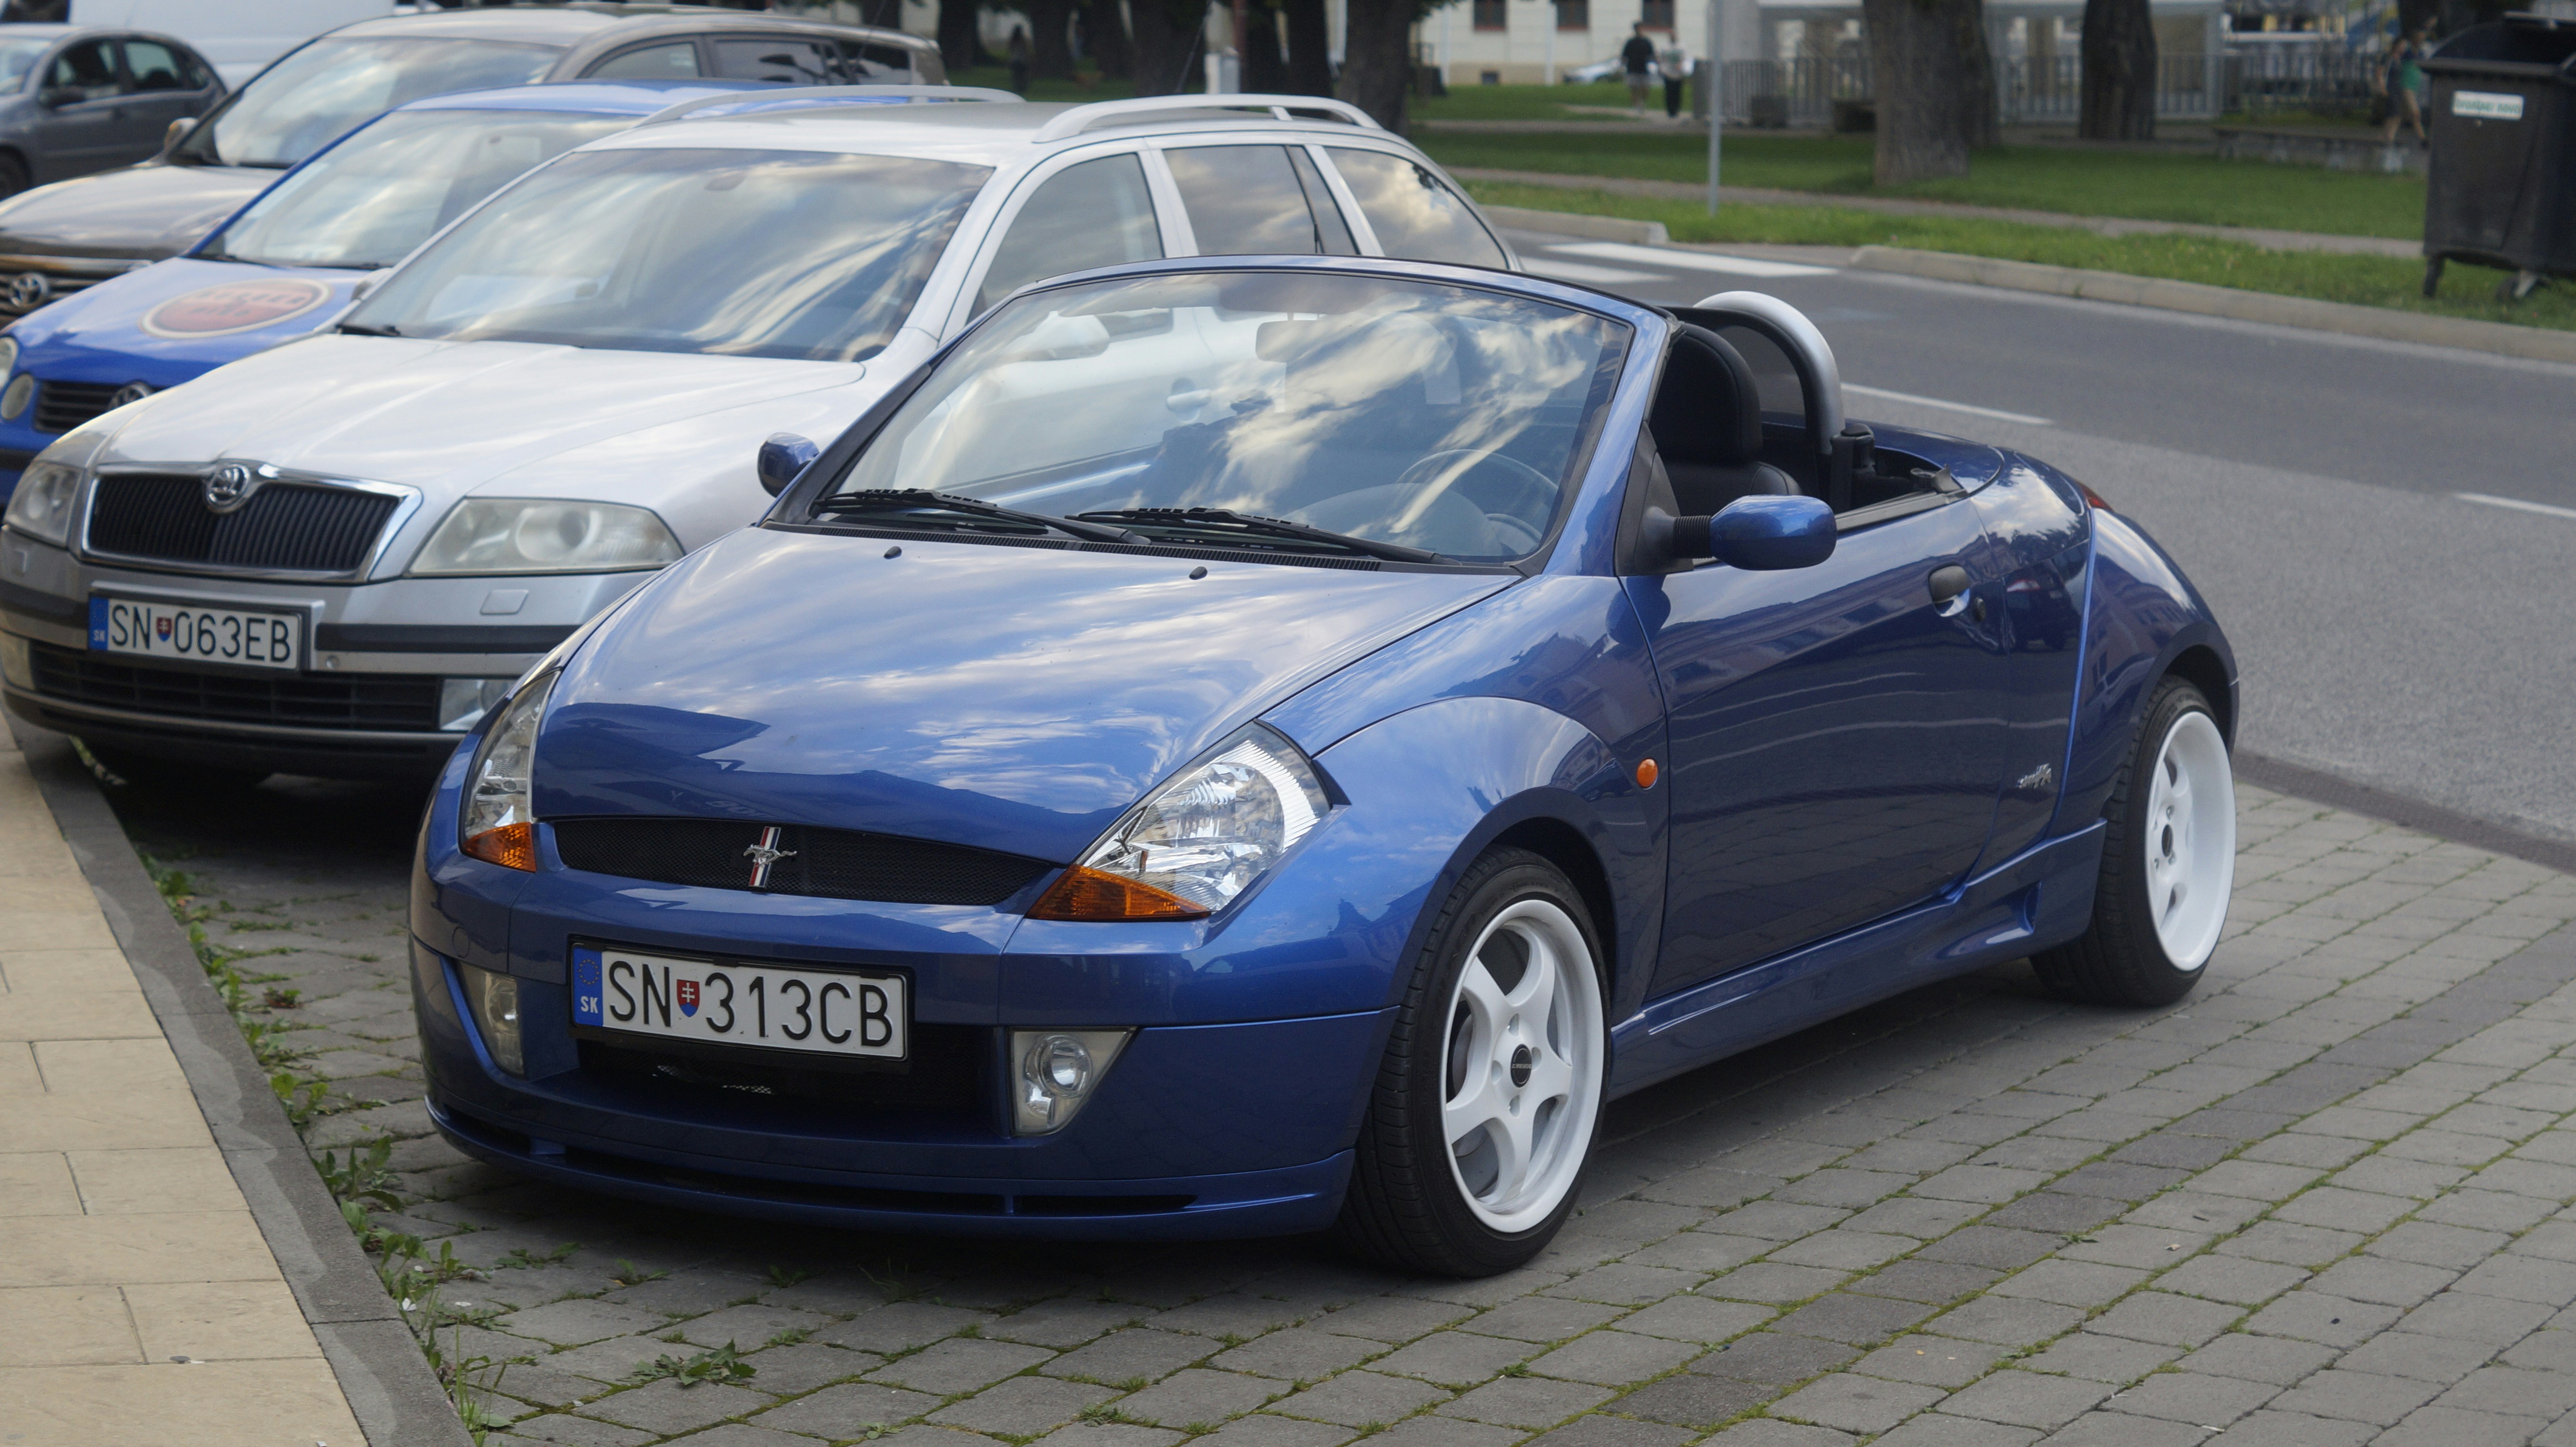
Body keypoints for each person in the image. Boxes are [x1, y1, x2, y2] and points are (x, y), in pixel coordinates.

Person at [2380, 18, 2435, 146]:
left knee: (2399, 116)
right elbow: (2398, 55)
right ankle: (2423, 138)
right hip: (2406, 85)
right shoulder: (2408, 52)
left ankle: (2385, 136)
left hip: (2414, 86)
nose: (2422, 41)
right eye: (2420, 38)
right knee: (2415, 113)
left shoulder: (2420, 53)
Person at [1622, 23, 1657, 115]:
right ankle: (1636, 107)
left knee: (1645, 89)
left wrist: (1657, 64)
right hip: (1632, 69)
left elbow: (1652, 55)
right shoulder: (1630, 42)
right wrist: (1623, 66)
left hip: (1644, 69)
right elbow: (1624, 56)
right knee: (1634, 89)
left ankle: (1642, 103)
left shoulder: (1646, 42)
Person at [1659, 36, 1693, 120]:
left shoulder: (1682, 47)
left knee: (1677, 92)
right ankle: (1670, 110)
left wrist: (1682, 66)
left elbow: (1686, 58)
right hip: (1668, 73)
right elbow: (1661, 59)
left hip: (1678, 74)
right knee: (1669, 92)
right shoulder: (1665, 47)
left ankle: (1676, 110)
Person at [1007, 24, 1031, 96]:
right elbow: (1026, 50)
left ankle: (1016, 88)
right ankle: (1022, 88)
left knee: (1016, 75)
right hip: (1022, 60)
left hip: (1014, 60)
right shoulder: (1022, 40)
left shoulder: (1013, 41)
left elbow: (1010, 50)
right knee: (1022, 75)